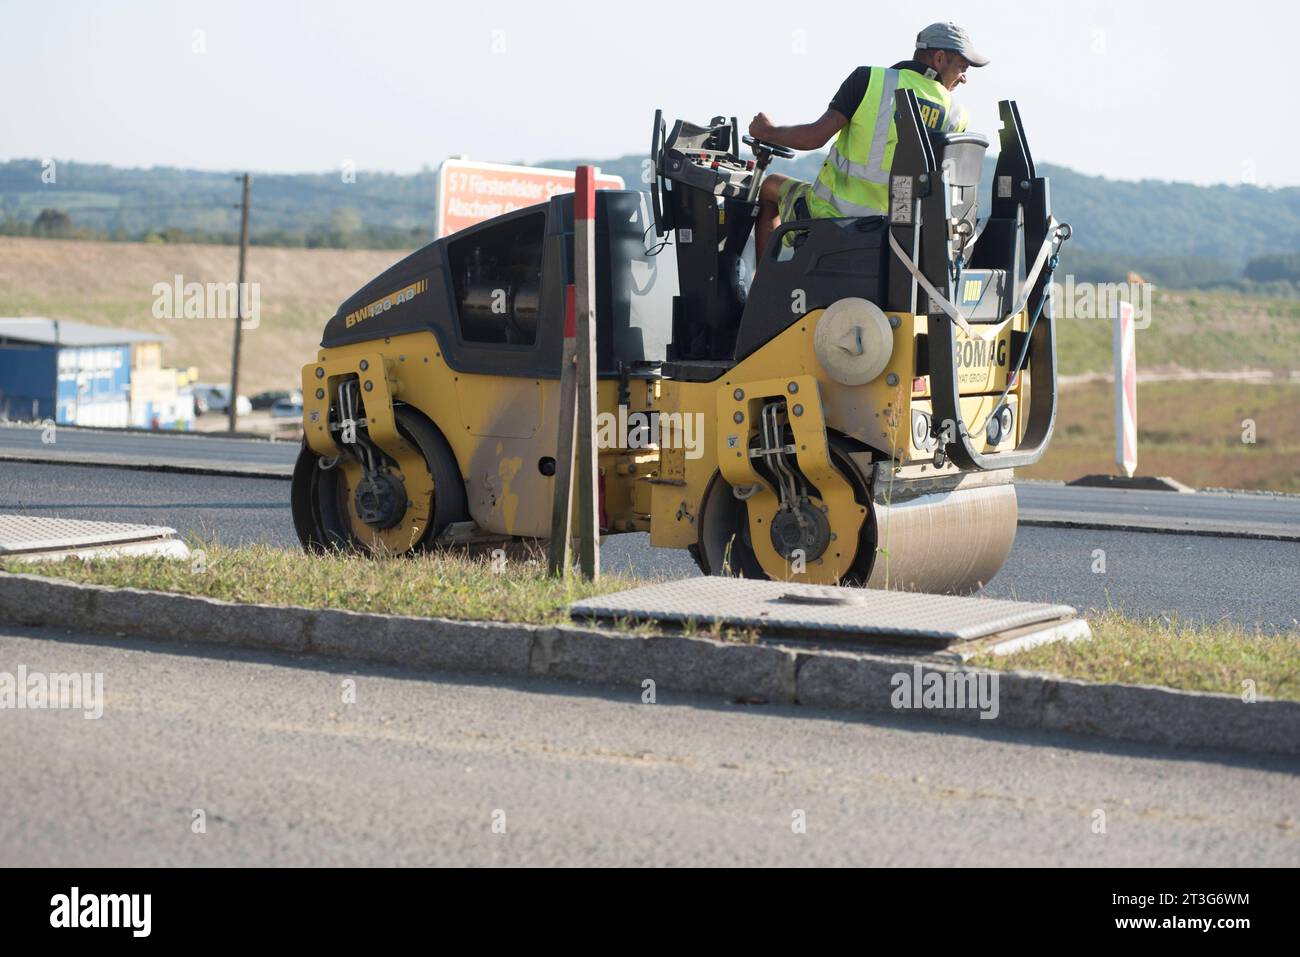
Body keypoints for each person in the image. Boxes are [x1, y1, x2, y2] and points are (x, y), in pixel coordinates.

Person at [748, 22, 989, 260]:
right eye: (962, 68)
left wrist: (767, 131)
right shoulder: (956, 115)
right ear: (939, 59)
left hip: (830, 216)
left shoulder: (870, 79)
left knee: (770, 185)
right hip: (895, 232)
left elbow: (814, 137)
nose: (964, 78)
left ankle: (760, 293)